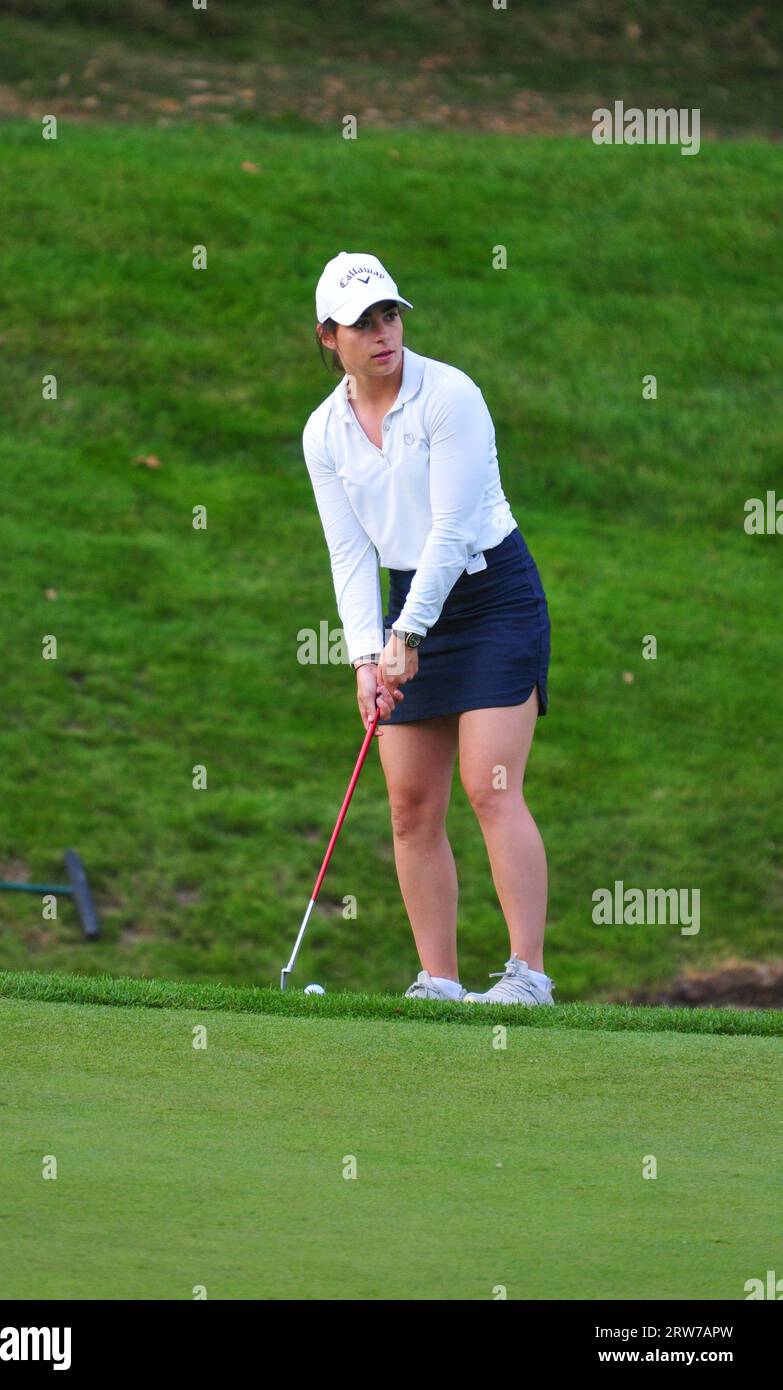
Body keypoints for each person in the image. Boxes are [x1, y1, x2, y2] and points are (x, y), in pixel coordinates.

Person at [302, 251, 554, 1007]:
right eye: (362, 324)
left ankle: (527, 977)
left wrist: (403, 636)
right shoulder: (324, 434)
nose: (384, 334)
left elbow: (449, 530)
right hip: (407, 607)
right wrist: (361, 658)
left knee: (490, 785)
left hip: (491, 597)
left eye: (390, 316)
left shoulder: (450, 395)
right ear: (327, 338)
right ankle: (438, 982)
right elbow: (349, 554)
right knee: (410, 805)